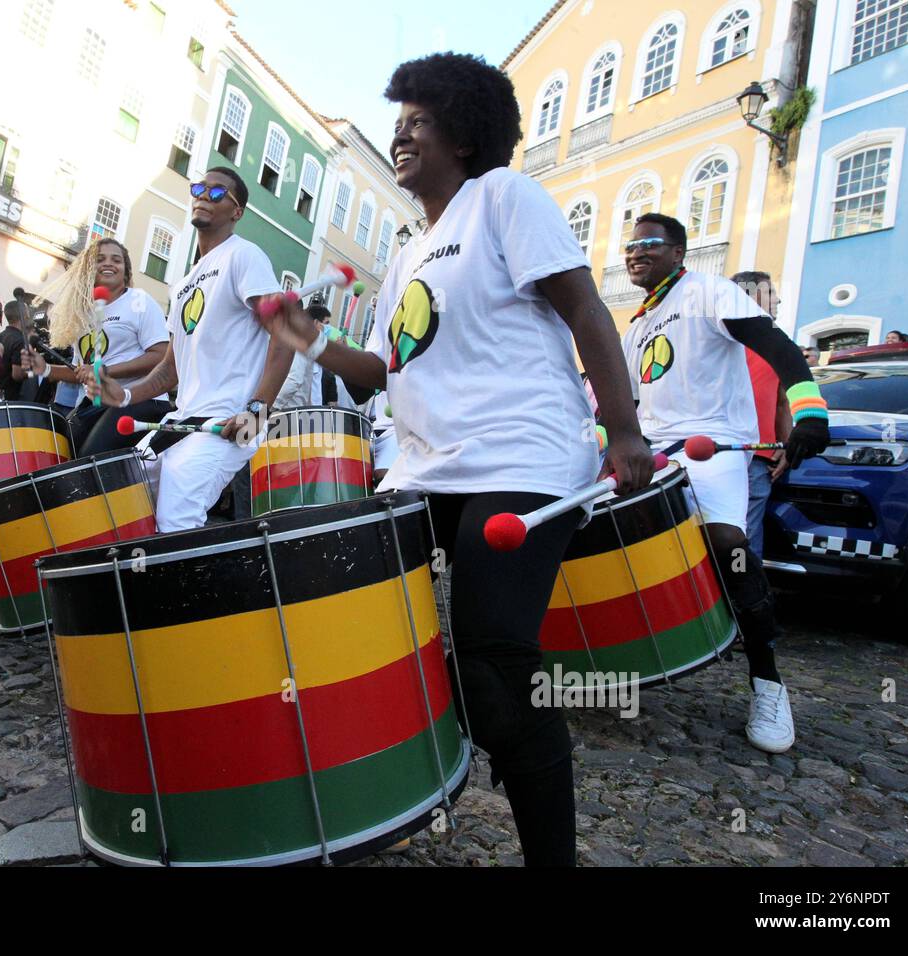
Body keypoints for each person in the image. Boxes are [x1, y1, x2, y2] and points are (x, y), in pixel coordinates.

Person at [255, 53, 654, 867]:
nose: (401, 137)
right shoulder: (408, 251)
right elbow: (378, 370)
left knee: (496, 670)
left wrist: (624, 430)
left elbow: (584, 309)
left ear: (465, 136)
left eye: (419, 124)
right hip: (423, 468)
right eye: (397, 125)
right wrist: (301, 332)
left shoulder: (503, 198)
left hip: (520, 459)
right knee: (363, 624)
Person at [621, 213, 831, 755]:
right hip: (655, 452)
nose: (636, 252)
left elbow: (775, 345)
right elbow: (620, 403)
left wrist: (809, 412)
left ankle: (768, 684)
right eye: (631, 245)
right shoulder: (638, 324)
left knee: (729, 547)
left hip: (713, 445)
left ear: (678, 252)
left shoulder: (708, 292)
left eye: (650, 243)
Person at [78, 168, 293, 532]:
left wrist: (256, 411)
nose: (203, 195)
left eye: (217, 192)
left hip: (229, 422)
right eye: (198, 188)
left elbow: (285, 332)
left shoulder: (243, 256)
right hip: (181, 422)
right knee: (122, 500)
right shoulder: (182, 285)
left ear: (236, 211)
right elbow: (167, 372)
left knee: (176, 519)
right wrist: (125, 394)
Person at [31, 239, 171, 454]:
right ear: (89, 268)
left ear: (126, 271)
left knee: (89, 457)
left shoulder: (140, 301)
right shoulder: (82, 313)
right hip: (96, 402)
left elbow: (160, 355)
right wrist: (45, 369)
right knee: (58, 452)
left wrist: (104, 371)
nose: (108, 264)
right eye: (100, 259)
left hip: (139, 399)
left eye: (117, 260)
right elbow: (80, 371)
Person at [733, 271, 793, 559]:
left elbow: (782, 402)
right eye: (771, 293)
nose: (777, 300)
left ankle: (743, 599)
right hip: (715, 452)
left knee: (745, 538)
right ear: (750, 296)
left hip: (759, 458)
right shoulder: (718, 339)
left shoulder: (777, 344)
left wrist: (787, 445)